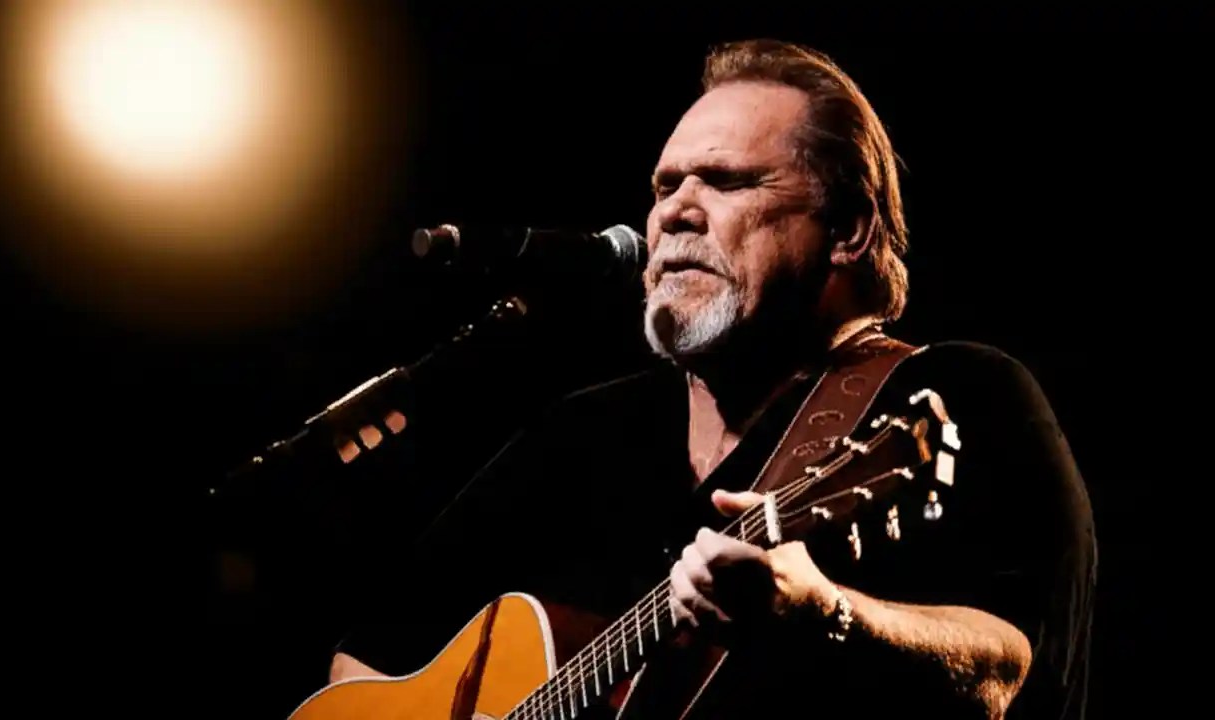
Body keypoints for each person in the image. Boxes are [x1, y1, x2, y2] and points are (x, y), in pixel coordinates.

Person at [328, 39, 1096, 719]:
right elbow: (364, 665)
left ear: (849, 230)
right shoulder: (582, 432)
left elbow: (1015, 673)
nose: (675, 216)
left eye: (726, 182)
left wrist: (825, 612)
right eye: (665, 188)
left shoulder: (956, 396)